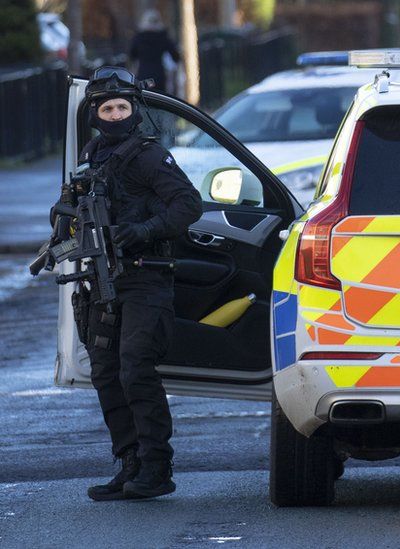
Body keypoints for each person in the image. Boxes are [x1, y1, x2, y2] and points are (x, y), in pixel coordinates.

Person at [77, 66, 202, 501]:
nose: (115, 115)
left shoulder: (148, 155)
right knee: (106, 373)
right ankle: (129, 463)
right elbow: (76, 205)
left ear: (134, 109)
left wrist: (144, 230)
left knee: (135, 370)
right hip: (105, 280)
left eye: (122, 107)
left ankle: (156, 467)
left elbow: (188, 205)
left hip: (147, 277)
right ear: (96, 113)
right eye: (107, 108)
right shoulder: (93, 155)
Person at [129, 10, 181, 95]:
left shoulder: (138, 38)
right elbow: (176, 56)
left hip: (143, 75)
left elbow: (132, 56)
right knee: (160, 100)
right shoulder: (163, 37)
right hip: (159, 75)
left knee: (144, 99)